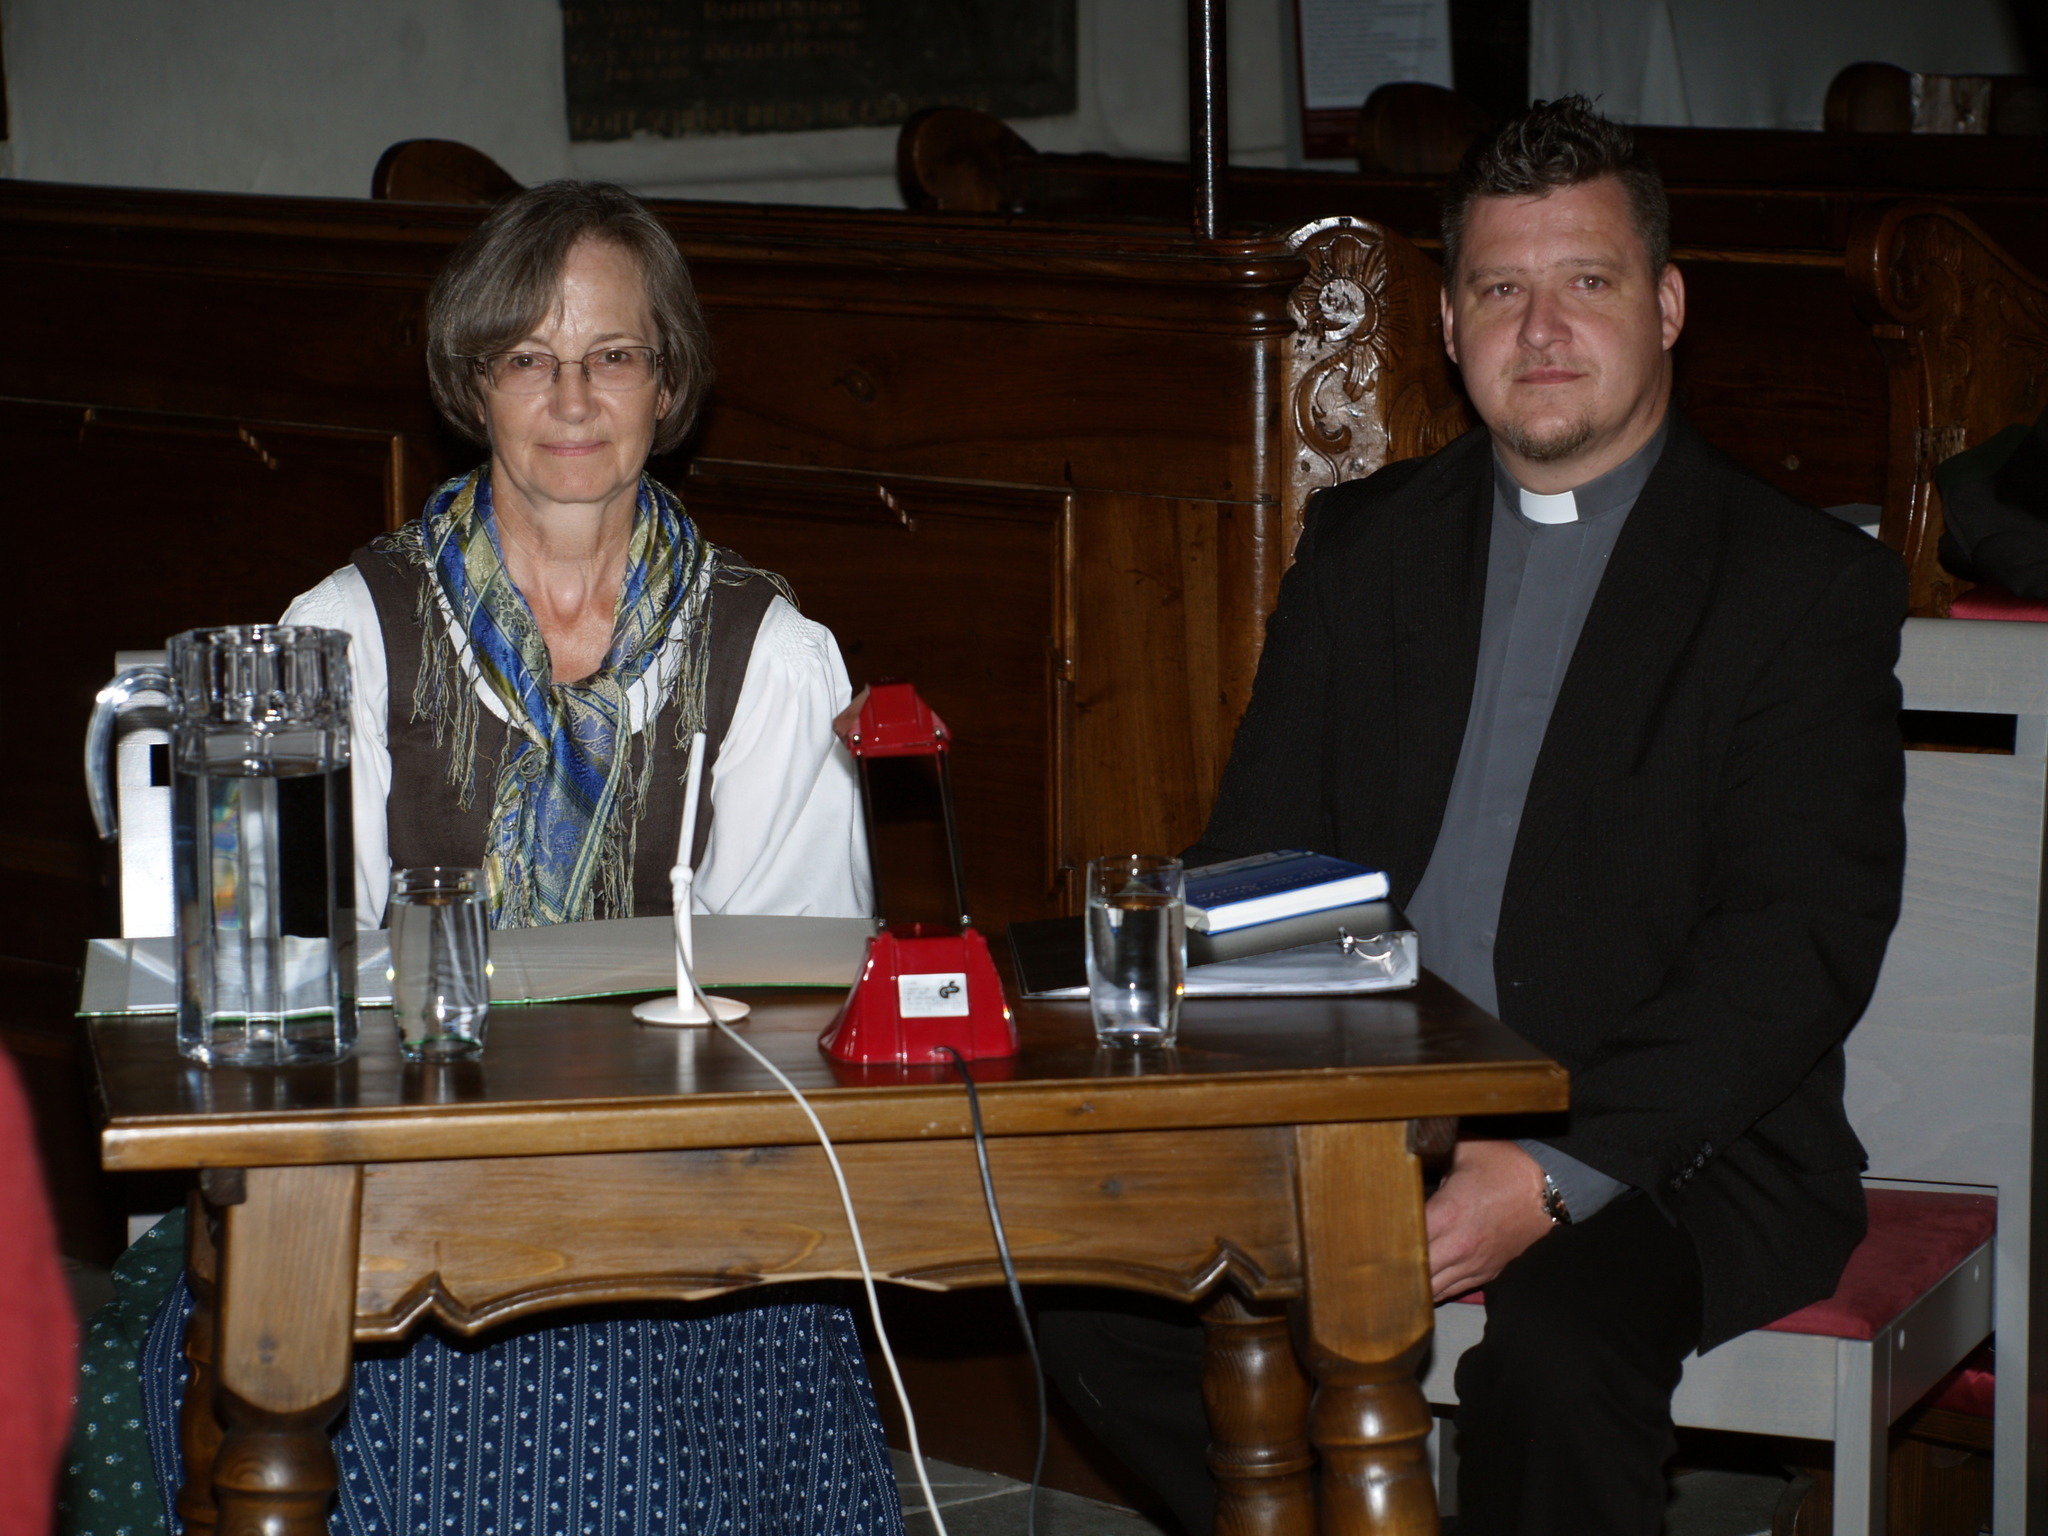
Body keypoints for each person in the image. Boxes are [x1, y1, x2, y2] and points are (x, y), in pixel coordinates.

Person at [1039, 97, 1908, 1536]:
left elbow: (1795, 945)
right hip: (1371, 1101)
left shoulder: (1794, 585)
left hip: (1681, 1142)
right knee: (1085, 1294)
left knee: (1558, 1358)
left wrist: (1551, 1172)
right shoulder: (1370, 545)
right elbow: (1263, 862)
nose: (1543, 327)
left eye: (1589, 281)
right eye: (1502, 289)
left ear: (1669, 305)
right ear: (1450, 325)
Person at [65, 181, 901, 1536]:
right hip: (392, 1189)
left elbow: (803, 1000)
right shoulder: (341, 634)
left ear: (667, 381)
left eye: (611, 356)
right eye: (529, 358)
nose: (572, 399)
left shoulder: (773, 655)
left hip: (679, 1200)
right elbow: (286, 984)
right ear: (474, 382)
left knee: (657, 1360)